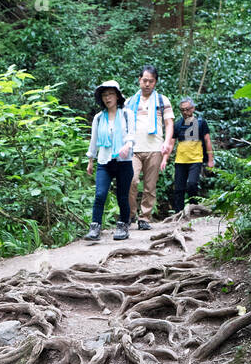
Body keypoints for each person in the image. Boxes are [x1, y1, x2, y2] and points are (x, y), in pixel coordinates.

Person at [84, 79, 135, 242]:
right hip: (104, 161)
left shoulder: (127, 114)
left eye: (111, 94)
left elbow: (132, 134)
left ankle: (123, 226)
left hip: (124, 161)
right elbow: (94, 140)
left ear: (118, 96)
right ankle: (95, 228)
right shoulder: (98, 118)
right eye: (104, 95)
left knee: (122, 196)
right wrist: (90, 160)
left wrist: (127, 145)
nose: (108, 98)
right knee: (100, 194)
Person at [127, 65, 174, 229]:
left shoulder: (163, 100)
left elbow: (169, 123)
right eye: (144, 80)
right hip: (133, 148)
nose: (147, 84)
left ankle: (145, 218)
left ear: (155, 82)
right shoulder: (129, 102)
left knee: (150, 185)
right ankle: (131, 213)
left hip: (155, 147)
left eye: (151, 81)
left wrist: (167, 142)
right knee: (131, 181)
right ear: (139, 80)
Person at [172, 97, 215, 213]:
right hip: (180, 160)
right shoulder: (178, 124)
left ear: (193, 108)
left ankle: (193, 207)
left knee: (192, 184)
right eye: (182, 110)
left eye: (187, 109)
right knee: (179, 188)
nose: (185, 112)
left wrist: (211, 160)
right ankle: (178, 213)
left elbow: (207, 140)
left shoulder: (201, 123)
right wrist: (164, 158)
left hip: (196, 159)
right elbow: (171, 142)